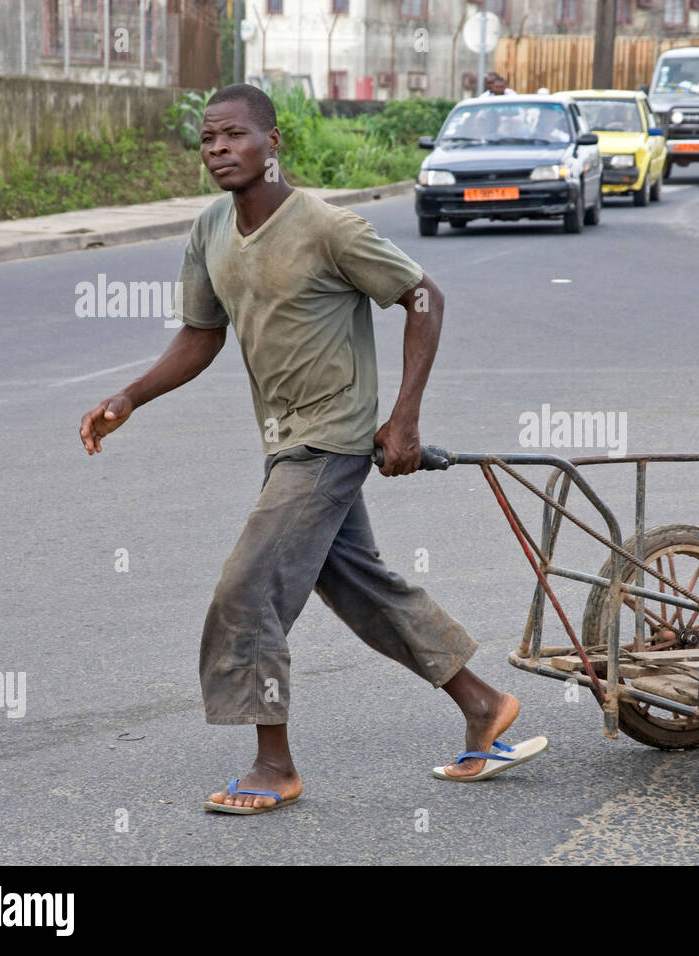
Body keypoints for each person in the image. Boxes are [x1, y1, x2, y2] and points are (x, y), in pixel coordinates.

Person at [78, 85, 536, 813]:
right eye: (207, 139)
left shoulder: (325, 226)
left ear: (273, 141)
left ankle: (273, 766)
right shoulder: (209, 231)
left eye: (234, 136)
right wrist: (128, 397)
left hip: (330, 441)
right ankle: (483, 706)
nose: (219, 149)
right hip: (285, 441)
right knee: (357, 583)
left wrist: (404, 420)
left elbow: (423, 297)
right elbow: (201, 335)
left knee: (247, 589)